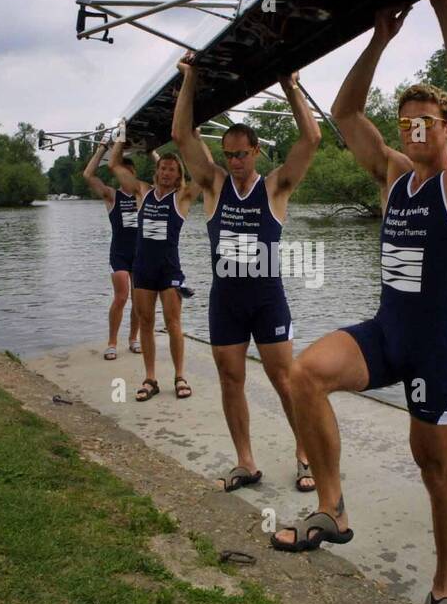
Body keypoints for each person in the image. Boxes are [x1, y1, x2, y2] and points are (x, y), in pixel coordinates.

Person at [271, 0, 447, 604]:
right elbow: (344, 114)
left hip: (435, 349)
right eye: (405, 124)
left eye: (424, 121)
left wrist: (445, 6)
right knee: (303, 373)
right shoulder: (395, 176)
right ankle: (334, 508)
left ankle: (445, 582)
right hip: (386, 331)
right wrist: (378, 36)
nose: (412, 131)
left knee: (435, 471)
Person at [171, 58, 322, 492]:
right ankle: (245, 462)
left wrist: (290, 86)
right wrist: (190, 79)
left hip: (267, 298)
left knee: (283, 379)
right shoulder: (213, 185)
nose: (235, 160)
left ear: (256, 151)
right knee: (230, 378)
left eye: (242, 153)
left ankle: (305, 455)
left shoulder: (275, 187)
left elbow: (311, 138)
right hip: (227, 301)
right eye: (229, 153)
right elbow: (182, 135)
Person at [109, 132, 201, 402]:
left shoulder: (182, 198)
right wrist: (120, 135)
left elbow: (205, 174)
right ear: (157, 170)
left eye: (172, 170)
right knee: (146, 323)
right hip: (143, 269)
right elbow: (114, 165)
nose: (166, 173)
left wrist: (191, 136)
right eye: (163, 168)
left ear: (177, 175)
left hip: (170, 271)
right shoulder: (142, 192)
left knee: (173, 323)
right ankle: (150, 379)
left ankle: (180, 375)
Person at [82, 138, 148, 359]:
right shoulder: (112, 195)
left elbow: (171, 183)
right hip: (119, 254)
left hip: (140, 255)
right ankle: (112, 343)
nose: (126, 177)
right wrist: (102, 149)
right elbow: (88, 175)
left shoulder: (143, 196)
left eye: (130, 173)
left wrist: (152, 151)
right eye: (123, 172)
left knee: (139, 301)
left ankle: (133, 339)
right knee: (121, 297)